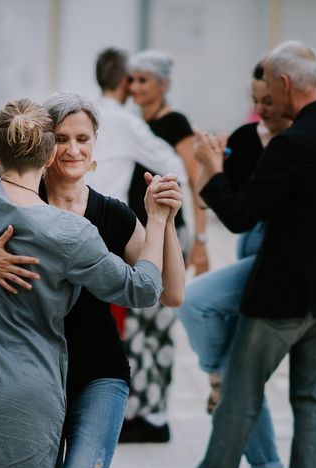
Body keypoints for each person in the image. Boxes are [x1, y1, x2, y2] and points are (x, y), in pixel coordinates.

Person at [0, 92, 186, 468]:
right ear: (43, 146)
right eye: (62, 138)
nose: (73, 149)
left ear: (95, 145)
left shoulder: (111, 216)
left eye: (83, 139)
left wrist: (163, 220)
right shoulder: (9, 207)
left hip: (95, 373)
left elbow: (169, 293)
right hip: (33, 374)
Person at [186, 40, 316, 468]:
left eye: (268, 88)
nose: (264, 100)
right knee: (313, 405)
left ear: (284, 84)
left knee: (238, 400)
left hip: (283, 296)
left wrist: (211, 168)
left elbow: (239, 214)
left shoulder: (292, 144)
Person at [118, 49, 203, 443]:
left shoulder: (175, 123)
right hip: (141, 234)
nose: (135, 87)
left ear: (163, 84)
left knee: (157, 324)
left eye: (143, 80)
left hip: (168, 234)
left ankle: (154, 416)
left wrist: (201, 240)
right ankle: (141, 410)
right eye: (131, 80)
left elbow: (197, 181)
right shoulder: (136, 123)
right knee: (139, 324)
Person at [87, 47, 186, 204]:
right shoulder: (129, 124)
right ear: (125, 81)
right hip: (109, 212)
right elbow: (177, 169)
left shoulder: (84, 112)